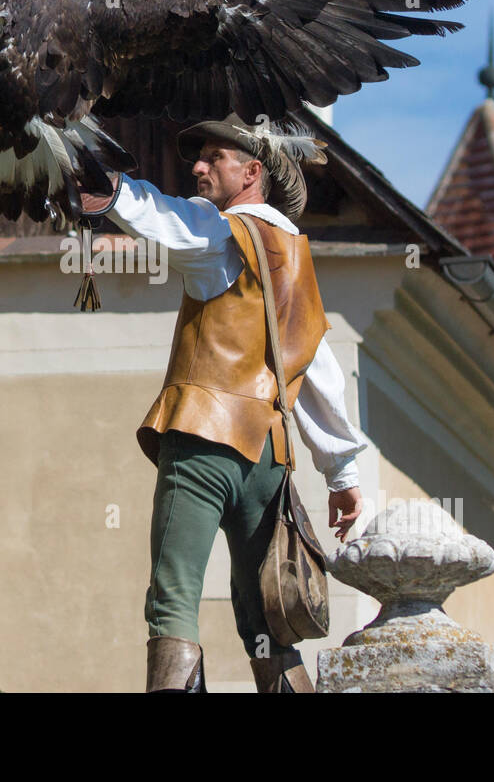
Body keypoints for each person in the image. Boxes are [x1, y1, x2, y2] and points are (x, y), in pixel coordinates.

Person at [77, 114, 370, 693]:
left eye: (215, 158)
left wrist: (111, 192)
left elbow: (168, 220)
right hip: (269, 458)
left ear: (252, 172)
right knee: (266, 621)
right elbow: (317, 371)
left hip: (206, 438)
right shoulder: (294, 252)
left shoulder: (221, 231)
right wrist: (343, 472)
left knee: (172, 600)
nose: (198, 167)